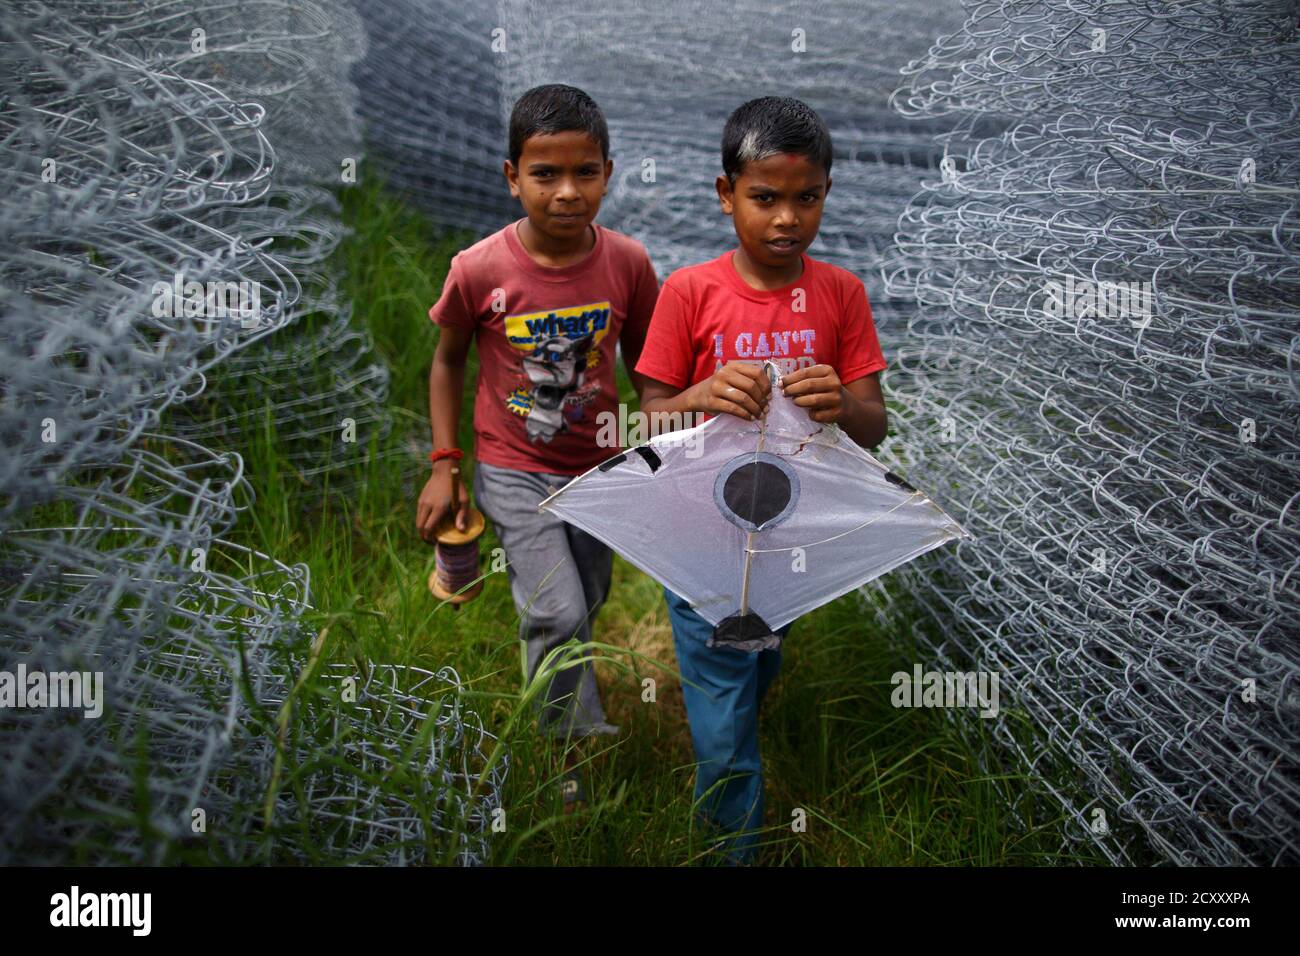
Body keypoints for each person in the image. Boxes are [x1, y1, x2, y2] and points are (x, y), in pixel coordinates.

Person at [633, 96, 889, 861]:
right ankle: (731, 846)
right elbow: (647, 419)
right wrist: (701, 396)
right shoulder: (690, 292)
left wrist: (840, 402)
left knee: (759, 661)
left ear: (825, 195)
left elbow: (876, 421)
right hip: (702, 535)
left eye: (805, 198)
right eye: (764, 198)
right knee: (723, 703)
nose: (786, 219)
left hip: (790, 536)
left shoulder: (840, 294)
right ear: (726, 194)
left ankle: (737, 717)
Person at [417, 84, 659, 806]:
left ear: (608, 174)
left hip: (600, 467)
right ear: (511, 176)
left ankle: (560, 711)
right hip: (513, 467)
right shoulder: (481, 268)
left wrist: (656, 437)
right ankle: (564, 762)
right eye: (544, 174)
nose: (565, 192)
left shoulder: (628, 264)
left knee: (585, 601)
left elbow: (648, 363)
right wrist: (444, 463)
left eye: (584, 173)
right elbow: (447, 361)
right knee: (555, 612)